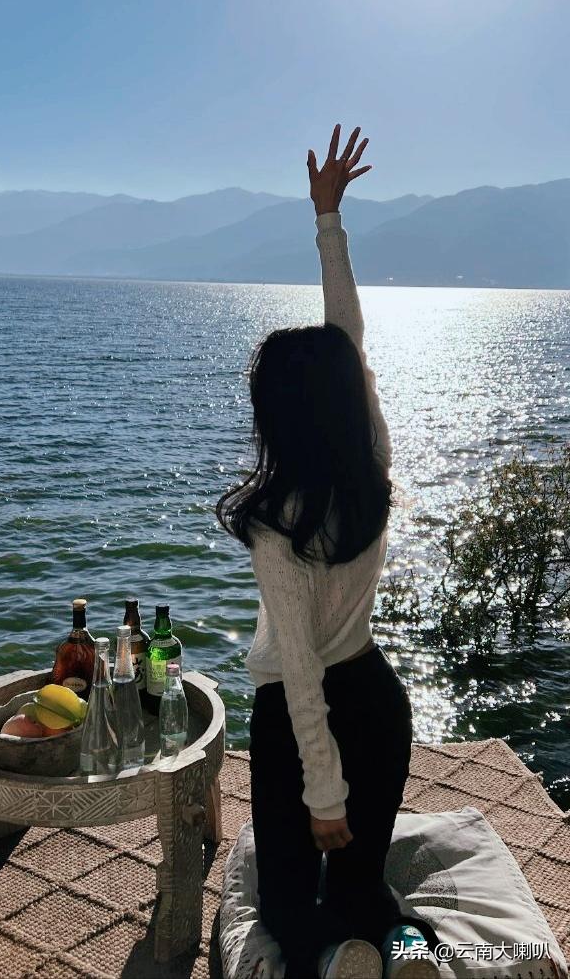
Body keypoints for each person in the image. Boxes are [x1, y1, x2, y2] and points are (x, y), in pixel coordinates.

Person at [216, 125, 442, 979]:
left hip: (304, 718)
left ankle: (341, 958)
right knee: (362, 876)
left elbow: (299, 672)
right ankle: (403, 947)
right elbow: (349, 338)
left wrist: (323, 794)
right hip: (379, 703)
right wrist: (328, 221)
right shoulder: (372, 466)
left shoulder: (279, 524)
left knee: (287, 903)